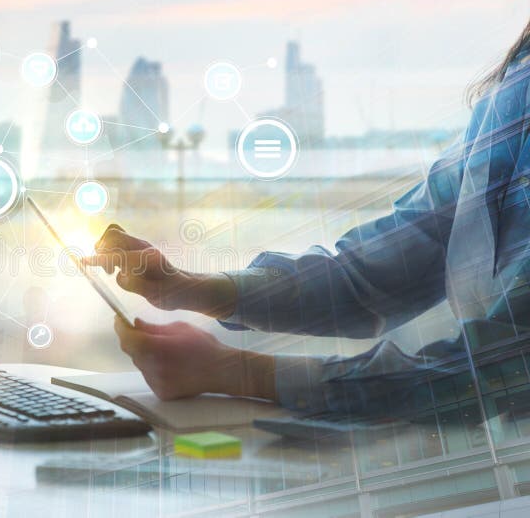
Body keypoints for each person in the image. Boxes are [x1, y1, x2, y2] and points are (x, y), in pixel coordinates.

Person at [83, 20, 530, 416]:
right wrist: (194, 288)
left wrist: (237, 372)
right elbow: (388, 265)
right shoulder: (518, 86)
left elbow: (499, 371)